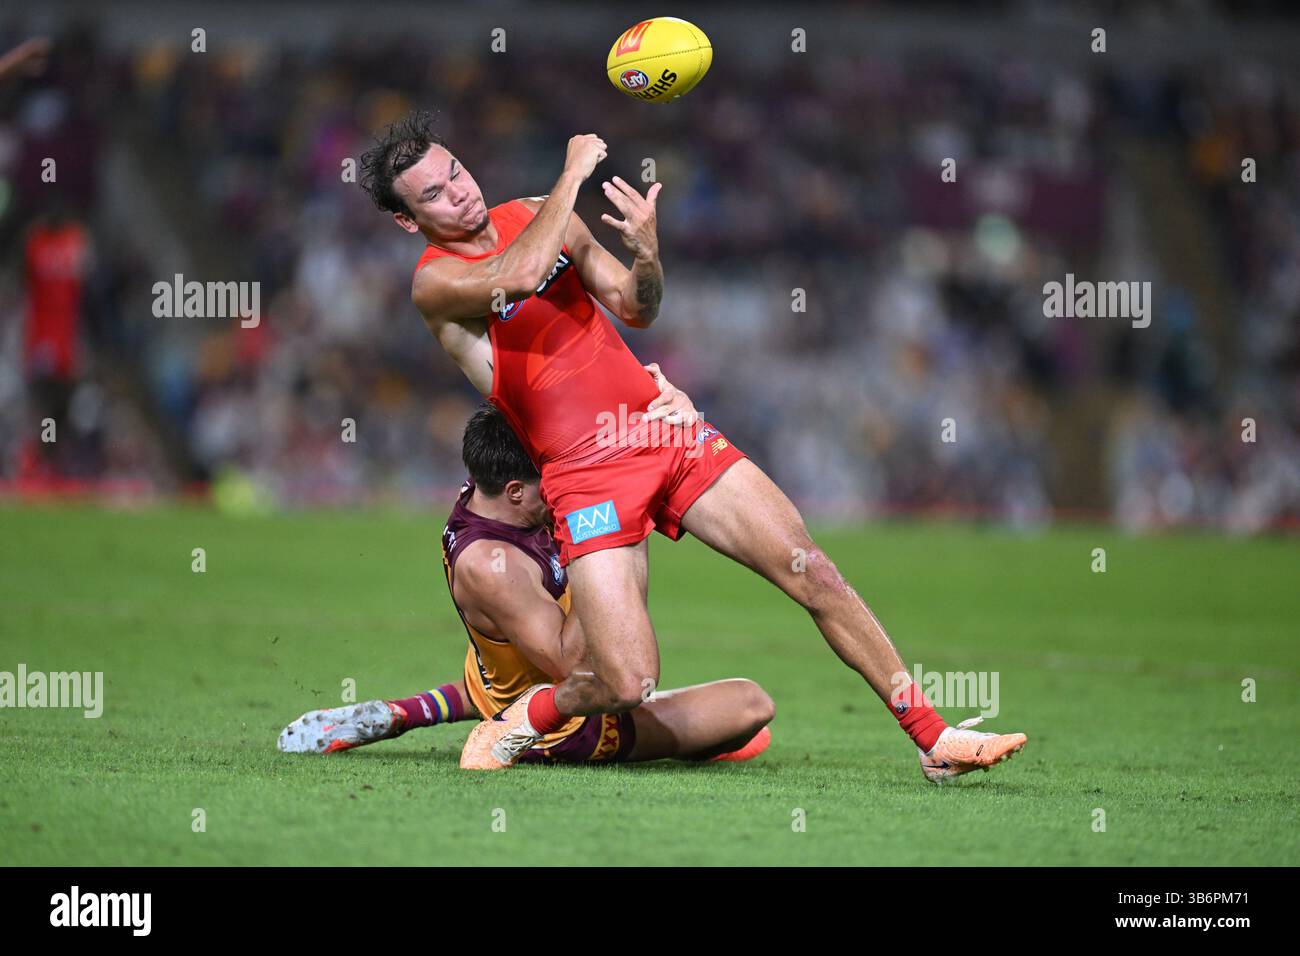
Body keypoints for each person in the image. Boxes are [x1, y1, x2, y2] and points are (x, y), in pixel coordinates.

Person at [359, 110, 1026, 782]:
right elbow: (524, 272)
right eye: (435, 195)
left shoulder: (539, 211)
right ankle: (527, 717)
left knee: (812, 570)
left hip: (662, 428)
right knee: (625, 681)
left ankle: (933, 737)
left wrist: (648, 255)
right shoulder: (435, 281)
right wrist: (570, 175)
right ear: (407, 220)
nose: (461, 191)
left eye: (456, 173)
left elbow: (635, 305)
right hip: (586, 477)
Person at [279, 392, 773, 765]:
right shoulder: (492, 565)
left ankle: (407, 712)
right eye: (549, 478)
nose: (562, 484)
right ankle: (515, 728)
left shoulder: (489, 489)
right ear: (515, 491)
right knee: (749, 708)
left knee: (503, 667)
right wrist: (612, 537)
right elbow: (569, 663)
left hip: (498, 673)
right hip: (571, 721)